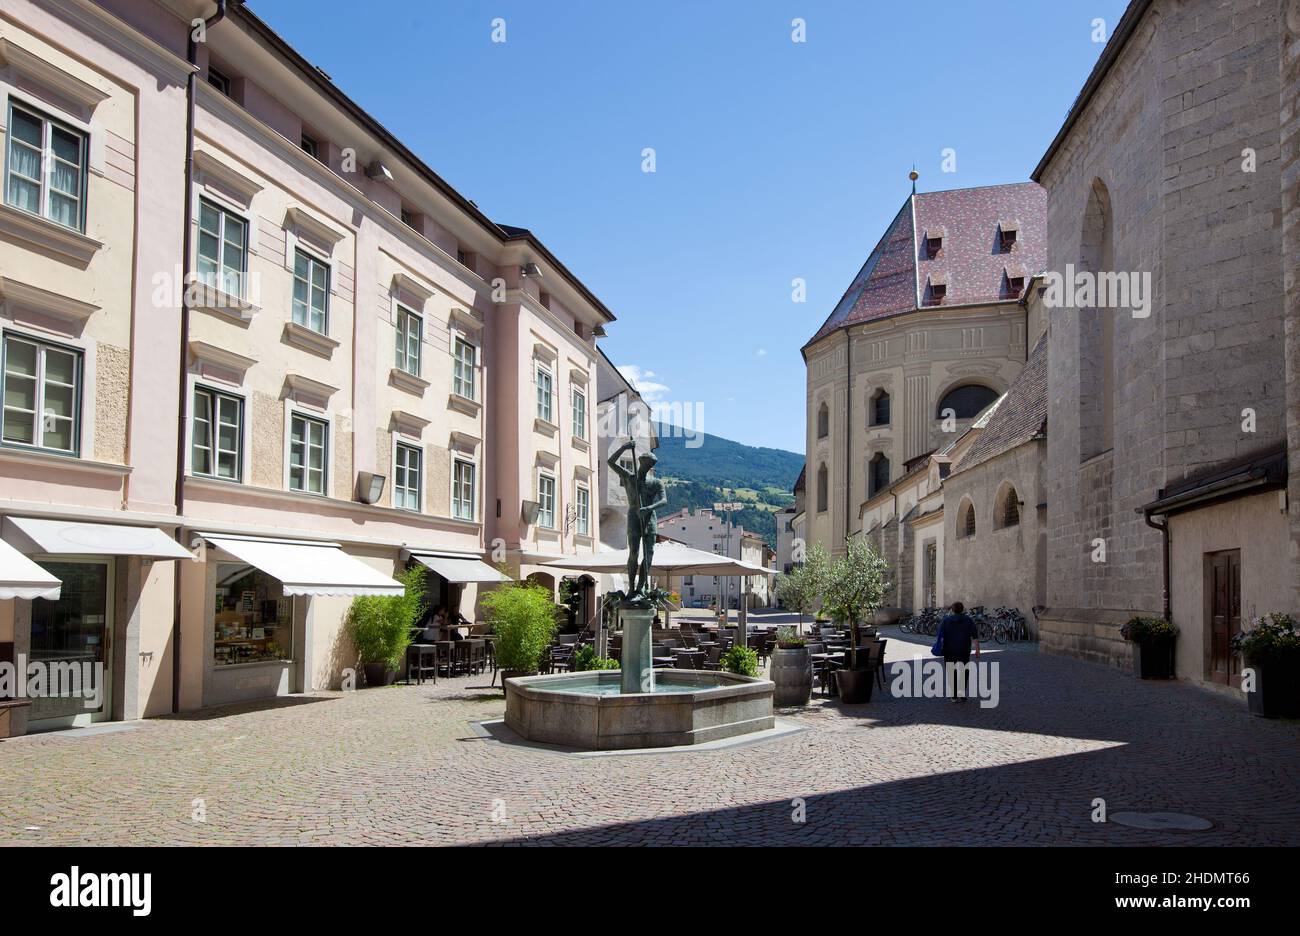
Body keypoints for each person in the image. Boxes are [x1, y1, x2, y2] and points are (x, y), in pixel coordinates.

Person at [936, 601, 980, 702]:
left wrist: (940, 647)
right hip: (964, 650)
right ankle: (962, 693)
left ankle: (954, 695)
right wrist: (977, 650)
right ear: (962, 609)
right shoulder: (968, 620)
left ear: (952, 610)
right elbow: (975, 636)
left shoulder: (946, 620)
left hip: (949, 650)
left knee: (952, 672)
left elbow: (940, 635)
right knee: (964, 671)